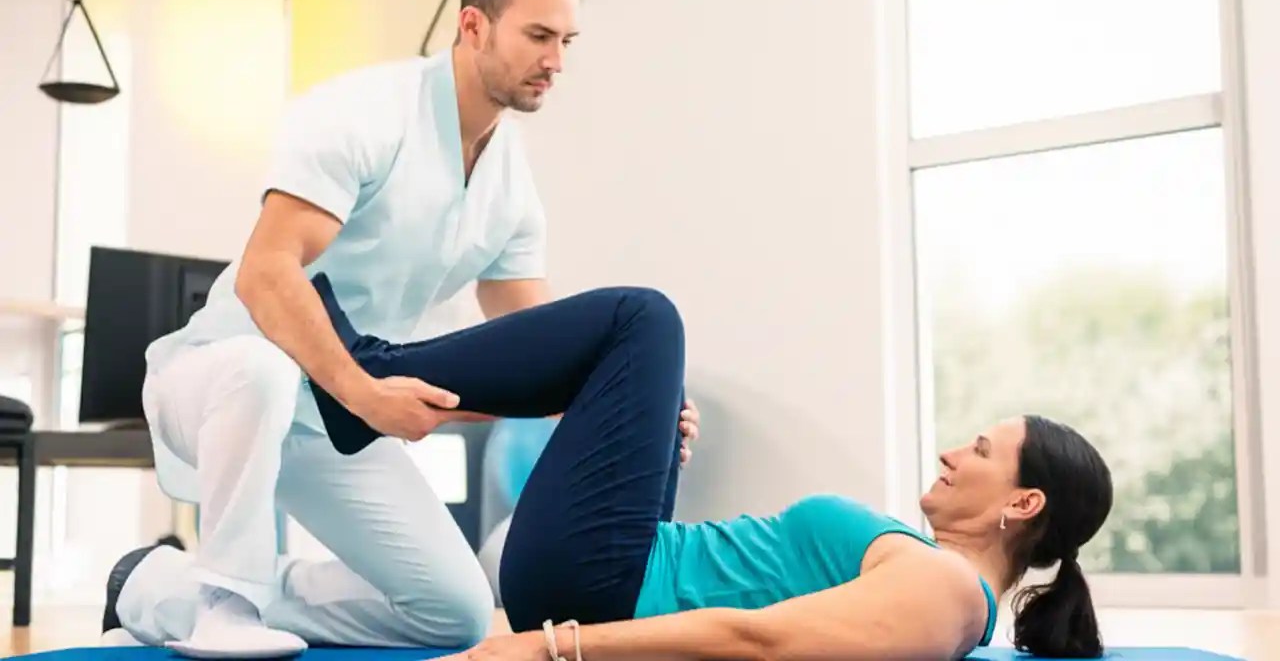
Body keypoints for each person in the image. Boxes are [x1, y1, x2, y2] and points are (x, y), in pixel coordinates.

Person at [99, 0, 699, 657]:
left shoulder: (509, 181)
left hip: (335, 416)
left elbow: (539, 343)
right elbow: (266, 273)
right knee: (260, 370)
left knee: (454, 614)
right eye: (539, 36)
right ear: (474, 26)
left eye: (566, 40)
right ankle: (224, 602)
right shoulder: (365, 113)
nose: (557, 61)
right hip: (222, 383)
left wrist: (636, 407)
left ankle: (155, 584)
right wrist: (362, 392)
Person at [304, 276, 1116, 661]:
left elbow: (757, 638)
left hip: (595, 590)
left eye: (979, 451)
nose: (950, 452)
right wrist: (658, 461)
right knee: (661, 380)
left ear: (1023, 501)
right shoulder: (931, 574)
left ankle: (369, 375)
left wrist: (544, 650)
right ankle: (370, 383)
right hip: (624, 566)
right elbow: (739, 588)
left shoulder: (945, 595)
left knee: (645, 319)